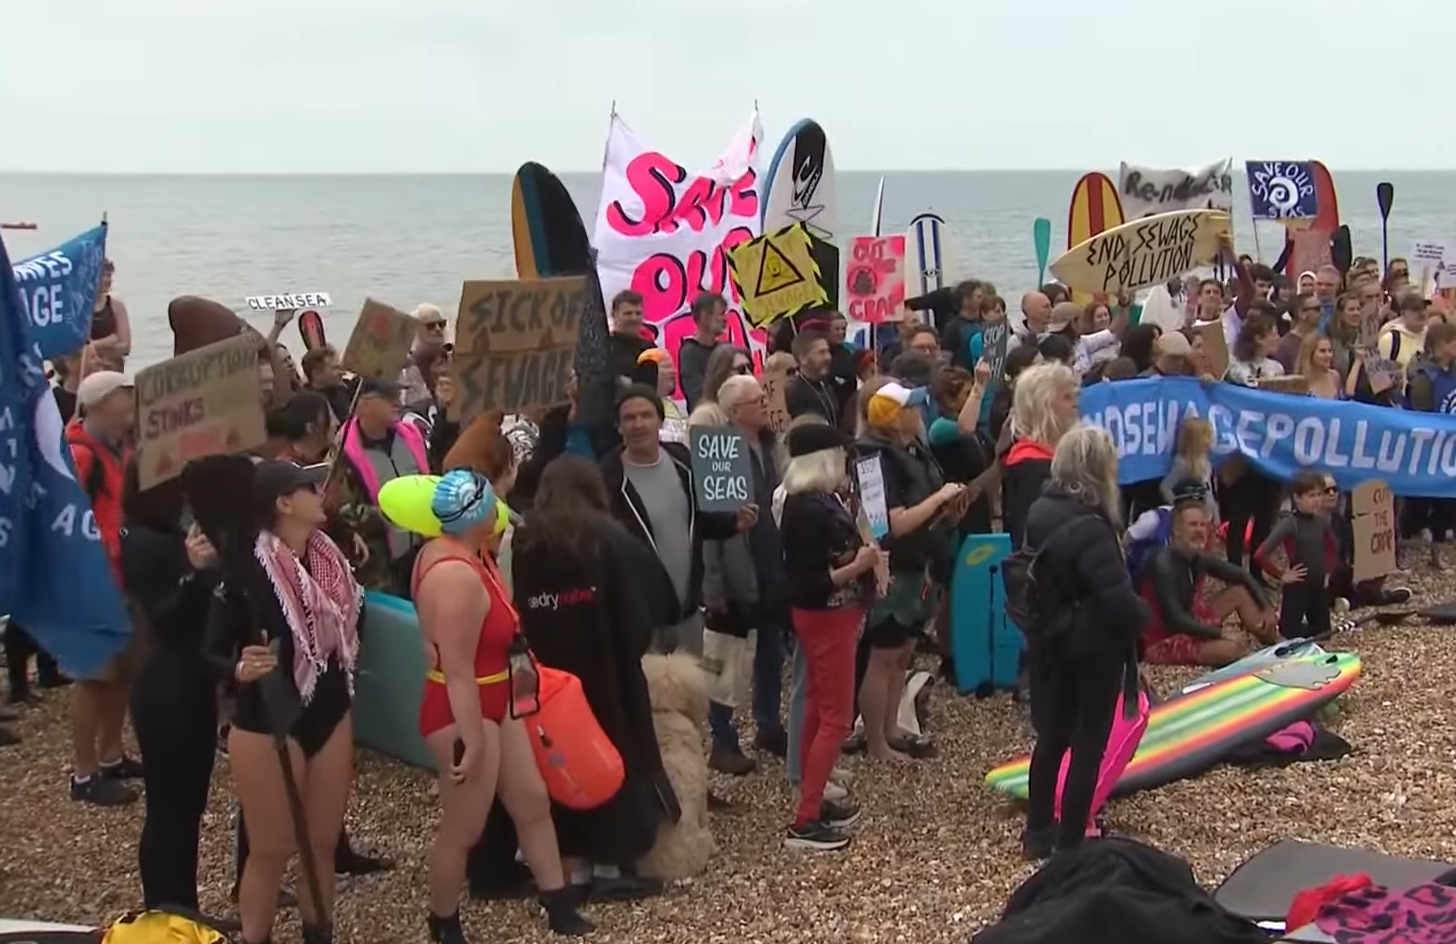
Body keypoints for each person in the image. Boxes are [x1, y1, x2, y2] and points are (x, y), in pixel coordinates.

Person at [413, 469, 592, 941]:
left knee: (531, 799)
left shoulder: (470, 556)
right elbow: (455, 671)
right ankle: (443, 917)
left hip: (496, 694)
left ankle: (557, 898)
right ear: (478, 515)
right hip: (463, 705)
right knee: (464, 825)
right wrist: (471, 740)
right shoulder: (456, 575)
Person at [204, 460, 362, 944]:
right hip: (267, 717)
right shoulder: (248, 570)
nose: (321, 491)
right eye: (308, 487)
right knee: (271, 847)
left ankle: (319, 933)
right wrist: (235, 669)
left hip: (330, 706)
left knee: (320, 844)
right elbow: (206, 650)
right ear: (283, 503)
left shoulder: (330, 557)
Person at [512, 457, 678, 900]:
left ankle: (575, 866)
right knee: (613, 762)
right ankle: (611, 866)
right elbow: (653, 601)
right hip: (608, 677)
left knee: (561, 764)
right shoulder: (608, 538)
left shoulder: (526, 541)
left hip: (549, 683)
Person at [1020, 426, 1149, 859]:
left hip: (1052, 636)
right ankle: (1072, 842)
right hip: (1093, 646)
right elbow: (1117, 602)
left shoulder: (1040, 509)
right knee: (1089, 741)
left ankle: (1037, 831)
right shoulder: (1091, 526)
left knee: (1053, 736)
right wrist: (1142, 616)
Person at [121, 461, 224, 912]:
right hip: (167, 683)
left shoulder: (167, 536)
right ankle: (164, 909)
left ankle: (184, 906)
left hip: (191, 677)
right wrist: (196, 571)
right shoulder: (143, 543)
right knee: (169, 810)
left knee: (187, 808)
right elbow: (167, 616)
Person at [779, 422, 883, 851]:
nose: (847, 461)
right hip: (828, 616)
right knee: (837, 718)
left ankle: (814, 799)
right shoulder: (812, 510)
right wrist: (863, 564)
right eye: (841, 454)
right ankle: (805, 819)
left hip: (826, 616)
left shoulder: (812, 503)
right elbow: (816, 581)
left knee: (822, 712)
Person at [600, 385, 756, 655]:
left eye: (646, 415)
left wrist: (733, 524)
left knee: (692, 694)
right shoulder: (608, 479)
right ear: (618, 426)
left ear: (660, 420)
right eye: (629, 418)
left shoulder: (682, 461)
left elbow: (695, 520)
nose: (638, 424)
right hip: (639, 621)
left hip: (688, 614)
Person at [856, 382, 964, 762]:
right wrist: (939, 499)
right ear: (893, 416)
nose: (919, 412)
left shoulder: (911, 449)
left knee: (903, 654)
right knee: (884, 654)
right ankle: (876, 741)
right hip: (895, 567)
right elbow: (892, 523)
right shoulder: (876, 459)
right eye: (910, 407)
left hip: (920, 562)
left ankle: (890, 727)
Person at [703, 375, 790, 771]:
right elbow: (713, 529)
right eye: (757, 400)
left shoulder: (772, 446)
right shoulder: (719, 451)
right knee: (729, 660)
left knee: (770, 654)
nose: (765, 404)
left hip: (774, 565)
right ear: (735, 411)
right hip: (740, 568)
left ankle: (768, 723)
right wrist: (715, 584)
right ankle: (723, 737)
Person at [65, 370, 142, 806]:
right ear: (97, 404)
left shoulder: (122, 446)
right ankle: (84, 772)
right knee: (92, 676)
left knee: (121, 672)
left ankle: (112, 755)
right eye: (122, 398)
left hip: (124, 574)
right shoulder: (81, 454)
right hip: (92, 579)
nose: (130, 405)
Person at [1140, 498, 1278, 666]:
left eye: (1202, 525)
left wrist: (1266, 607)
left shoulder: (1196, 557)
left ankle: (1275, 643)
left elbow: (1242, 575)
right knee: (1232, 648)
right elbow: (1174, 619)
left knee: (1239, 592)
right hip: (1164, 639)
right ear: (1176, 530)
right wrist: (1219, 633)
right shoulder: (1162, 562)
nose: (1199, 530)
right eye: (1192, 525)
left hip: (1192, 620)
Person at [333, 377, 431, 594]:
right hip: (381, 568)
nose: (397, 402)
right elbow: (341, 511)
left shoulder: (411, 437)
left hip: (420, 553)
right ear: (362, 404)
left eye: (397, 395)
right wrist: (391, 515)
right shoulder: (342, 453)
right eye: (388, 397)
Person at [1253, 471, 1340, 641]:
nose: (1316, 500)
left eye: (1318, 495)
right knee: (1288, 636)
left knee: (1323, 635)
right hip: (1297, 586)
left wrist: (1328, 572)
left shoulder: (1323, 520)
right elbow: (1260, 554)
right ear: (1297, 498)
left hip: (1318, 585)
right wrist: (1281, 575)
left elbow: (1333, 546)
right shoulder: (1290, 524)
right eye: (1310, 496)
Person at [1001, 363, 1080, 549]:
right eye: (1067, 397)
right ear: (1043, 405)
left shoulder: (1060, 455)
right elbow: (1030, 535)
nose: (1076, 404)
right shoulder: (1030, 465)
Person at [1159, 418, 1217, 523]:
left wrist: (1216, 517)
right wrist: (1178, 508)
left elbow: (1209, 492)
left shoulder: (1206, 463)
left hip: (1207, 515)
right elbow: (1165, 487)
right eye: (1207, 436)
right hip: (1192, 516)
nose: (1210, 440)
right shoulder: (1184, 465)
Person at [678, 292, 727, 410]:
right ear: (705, 317)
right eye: (721, 314)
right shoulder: (689, 352)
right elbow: (697, 395)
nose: (725, 319)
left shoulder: (725, 349)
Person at [785, 329, 840, 426]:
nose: (828, 357)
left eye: (828, 351)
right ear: (803, 358)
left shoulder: (827, 386)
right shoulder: (792, 392)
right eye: (821, 352)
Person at [89, 258, 132, 371]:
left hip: (111, 369)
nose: (108, 280)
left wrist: (91, 347)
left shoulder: (117, 307)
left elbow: (125, 347)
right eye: (103, 276)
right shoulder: (78, 309)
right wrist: (109, 341)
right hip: (85, 371)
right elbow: (74, 351)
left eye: (109, 276)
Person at [607, 289, 653, 385]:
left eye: (638, 313)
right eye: (628, 313)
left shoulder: (650, 350)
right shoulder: (604, 348)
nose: (634, 318)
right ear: (614, 315)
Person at [298, 346, 353, 424]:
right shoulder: (308, 405)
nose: (343, 373)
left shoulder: (344, 388)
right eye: (335, 368)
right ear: (316, 373)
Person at [1274, 293, 1324, 373]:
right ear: (1302, 313)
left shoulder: (1322, 339)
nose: (1322, 312)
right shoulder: (1285, 345)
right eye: (1317, 309)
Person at [1299, 333, 1343, 400]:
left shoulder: (1335, 377)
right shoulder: (1301, 382)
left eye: (1330, 351)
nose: (1328, 355)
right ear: (1310, 354)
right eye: (1322, 351)